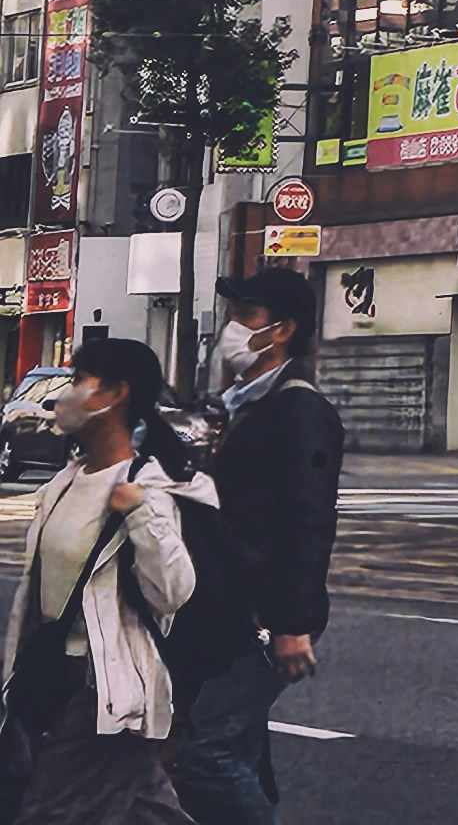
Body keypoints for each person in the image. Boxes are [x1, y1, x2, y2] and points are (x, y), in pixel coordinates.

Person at [0, 335, 208, 822]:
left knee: (50, 813)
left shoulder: (146, 487)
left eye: (77, 381)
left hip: (103, 691)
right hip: (52, 677)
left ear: (115, 394)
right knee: (146, 809)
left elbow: (175, 590)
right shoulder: (65, 481)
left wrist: (138, 514)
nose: (62, 396)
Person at [179, 269, 344, 825]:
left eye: (246, 316)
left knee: (206, 752)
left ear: (282, 330)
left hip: (266, 612)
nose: (232, 328)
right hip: (227, 604)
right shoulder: (235, 405)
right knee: (236, 751)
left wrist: (292, 624)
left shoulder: (299, 410)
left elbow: (310, 521)